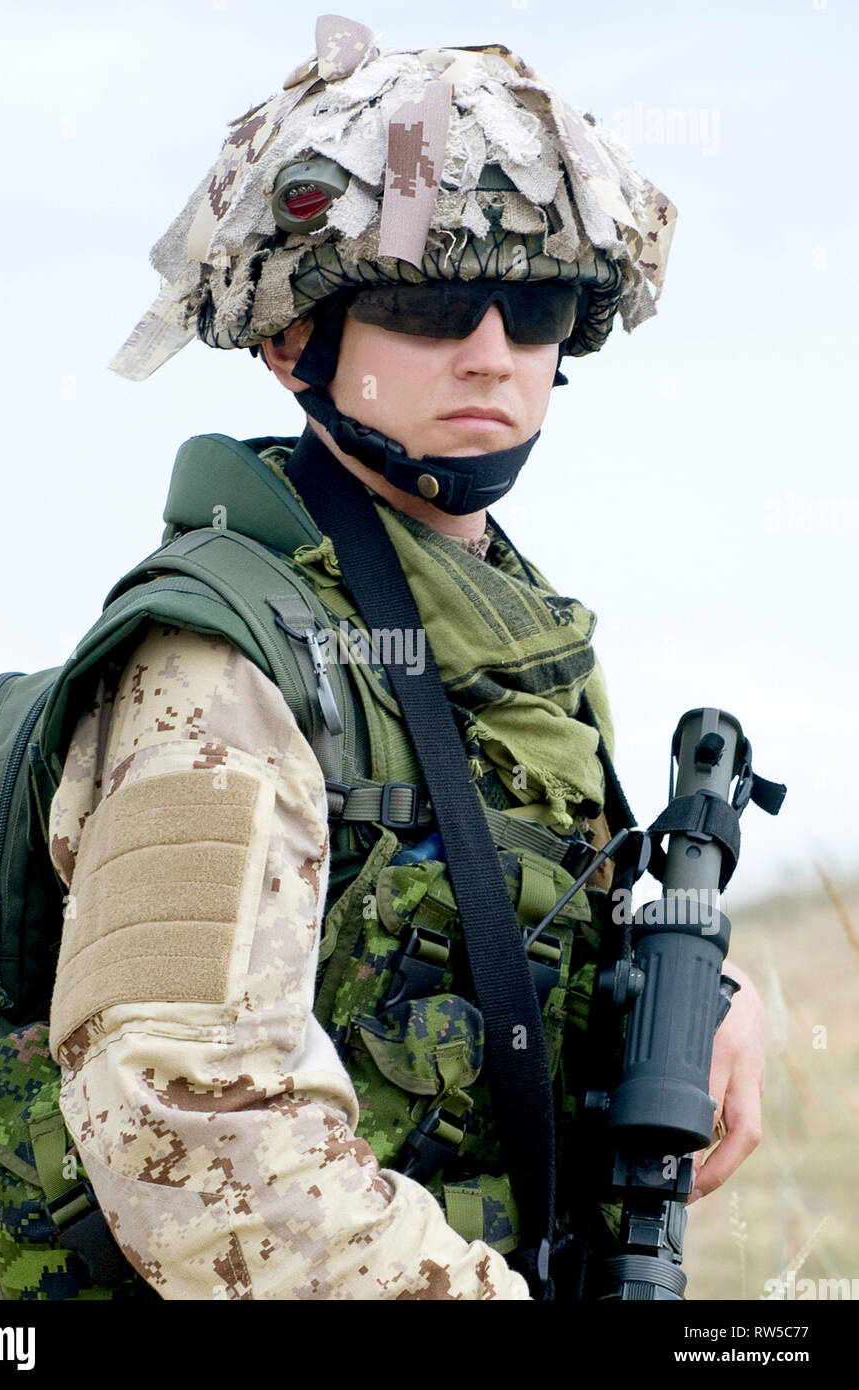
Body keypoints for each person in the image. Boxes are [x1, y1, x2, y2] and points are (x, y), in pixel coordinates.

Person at [46, 16, 766, 1300]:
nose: (492, 350)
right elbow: (188, 1122)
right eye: (430, 302)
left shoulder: (519, 635)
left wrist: (699, 1000)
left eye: (534, 303)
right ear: (292, 341)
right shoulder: (221, 659)